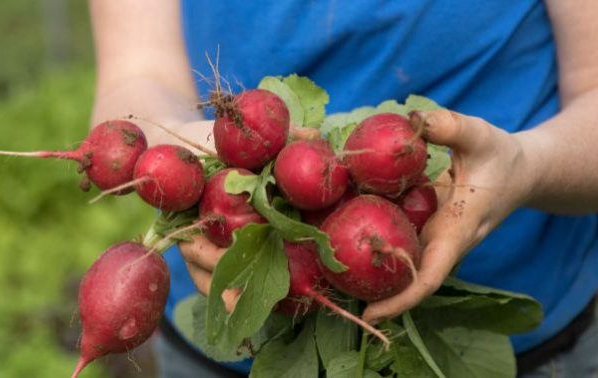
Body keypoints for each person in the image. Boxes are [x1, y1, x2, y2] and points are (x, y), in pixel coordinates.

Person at [88, 1, 598, 376]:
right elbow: (136, 74)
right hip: (226, 337)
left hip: (542, 328)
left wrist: (527, 166)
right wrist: (185, 156)